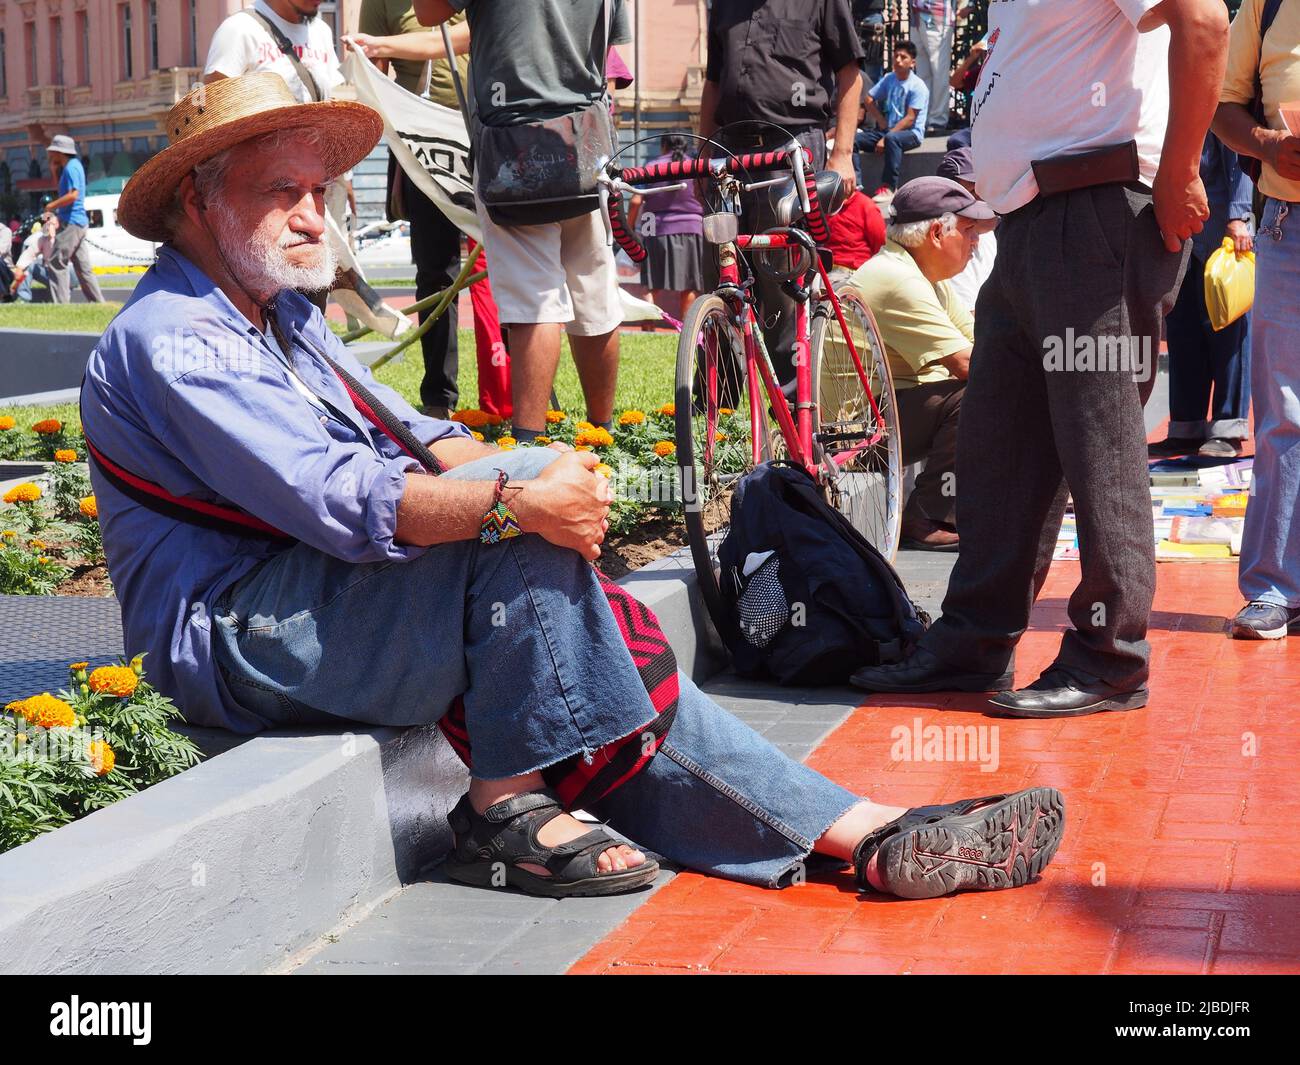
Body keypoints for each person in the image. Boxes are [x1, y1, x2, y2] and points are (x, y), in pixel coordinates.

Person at [82, 73, 1066, 902]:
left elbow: (421, 438)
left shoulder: (279, 317)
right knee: (520, 527)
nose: (309, 214)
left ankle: (866, 833)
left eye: (319, 191)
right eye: (278, 191)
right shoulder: (177, 341)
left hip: (326, 606)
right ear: (197, 203)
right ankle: (500, 802)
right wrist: (519, 501)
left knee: (543, 547)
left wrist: (541, 476)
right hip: (231, 641)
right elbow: (346, 505)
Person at [853, 0, 1229, 717]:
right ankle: (976, 639)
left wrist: (1181, 168)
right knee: (1001, 443)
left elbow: (1205, 23)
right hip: (1032, 221)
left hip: (1095, 211)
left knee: (1100, 442)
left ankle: (1109, 655)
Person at [413, 0, 629, 442]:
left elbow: (428, 12)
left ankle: (528, 443)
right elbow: (612, 53)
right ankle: (603, 434)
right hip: (585, 137)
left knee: (535, 301)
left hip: (514, 138)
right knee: (593, 290)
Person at [701, 0, 863, 400]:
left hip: (790, 146)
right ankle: (720, 400)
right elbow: (714, 82)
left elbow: (850, 73)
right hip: (729, 149)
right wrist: (703, 151)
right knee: (721, 271)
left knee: (779, 278)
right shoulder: (723, 5)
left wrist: (842, 154)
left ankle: (793, 407)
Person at [1213, 0, 1300, 639]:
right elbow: (1224, 107)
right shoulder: (1267, 6)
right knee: (1285, 414)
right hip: (1287, 223)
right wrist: (1269, 142)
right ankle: (1274, 588)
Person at [351, 3, 480, 420]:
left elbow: (472, 34)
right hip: (422, 141)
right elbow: (375, 68)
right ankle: (439, 398)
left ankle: (517, 391)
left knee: (511, 265)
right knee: (435, 271)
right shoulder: (381, 4)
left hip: (486, 128)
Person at [850, 178, 993, 551]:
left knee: (994, 382)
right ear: (935, 232)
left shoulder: (921, 273)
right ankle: (926, 516)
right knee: (972, 392)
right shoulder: (898, 279)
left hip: (886, 413)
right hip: (852, 435)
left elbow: (979, 342)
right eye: (968, 231)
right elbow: (968, 364)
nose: (975, 242)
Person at [1150, 132, 1253, 460]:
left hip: (1220, 229)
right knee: (1182, 330)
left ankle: (1228, 426)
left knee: (1227, 328)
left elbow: (1238, 159)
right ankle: (1186, 424)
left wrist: (1239, 216)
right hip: (1178, 233)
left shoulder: (1218, 88)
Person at [627, 134, 705, 323]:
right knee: (689, 285)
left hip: (655, 229)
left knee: (651, 284)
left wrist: (628, 228)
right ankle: (687, 329)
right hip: (693, 229)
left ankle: (649, 327)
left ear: (663, 147)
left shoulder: (650, 167)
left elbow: (636, 200)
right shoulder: (695, 167)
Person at [857, 43, 929, 198]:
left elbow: (910, 119)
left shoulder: (918, 86)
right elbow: (868, 99)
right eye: (895, 56)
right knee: (853, 140)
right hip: (888, 131)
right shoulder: (889, 78)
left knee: (891, 139)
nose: (898, 60)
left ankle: (889, 187)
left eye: (903, 57)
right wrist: (881, 120)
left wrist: (885, 137)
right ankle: (855, 186)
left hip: (911, 134)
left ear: (913, 62)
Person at [42, 135, 105, 305]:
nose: (50, 154)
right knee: (83, 268)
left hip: (72, 222)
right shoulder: (70, 167)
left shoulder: (72, 167)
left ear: (60, 152)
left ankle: (61, 304)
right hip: (76, 222)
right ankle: (98, 303)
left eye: (53, 151)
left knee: (56, 261)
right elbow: (63, 191)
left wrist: (51, 206)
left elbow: (73, 195)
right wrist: (54, 170)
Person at [936, 146, 996, 313]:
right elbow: (971, 318)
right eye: (973, 192)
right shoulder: (951, 244)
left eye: (986, 188)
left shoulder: (988, 234)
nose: (985, 198)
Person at [909, 2, 971, 133]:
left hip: (937, 17)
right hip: (917, 17)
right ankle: (924, 118)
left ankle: (938, 119)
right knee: (922, 72)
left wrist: (969, 5)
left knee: (938, 71)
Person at [825, 184, 887, 279]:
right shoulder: (824, 205)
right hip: (826, 271)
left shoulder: (866, 206)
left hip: (855, 272)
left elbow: (880, 244)